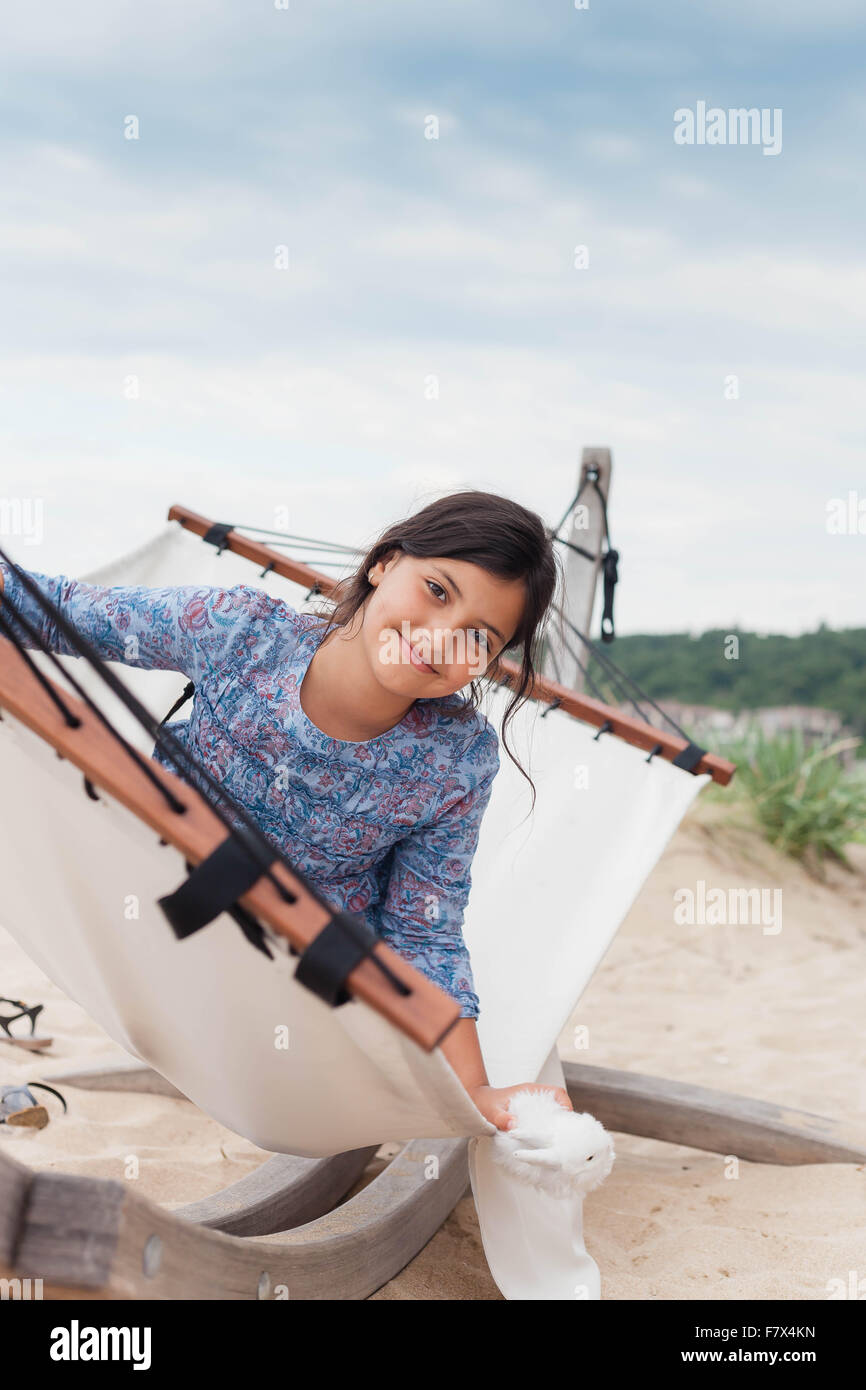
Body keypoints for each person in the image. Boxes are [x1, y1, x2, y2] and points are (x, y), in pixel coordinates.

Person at [0, 488, 572, 1132]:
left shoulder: (456, 760)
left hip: (293, 983)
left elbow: (422, 932)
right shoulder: (240, 632)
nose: (439, 639)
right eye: (437, 591)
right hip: (144, 896)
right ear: (385, 562)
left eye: (479, 637)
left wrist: (473, 1093)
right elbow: (56, 614)